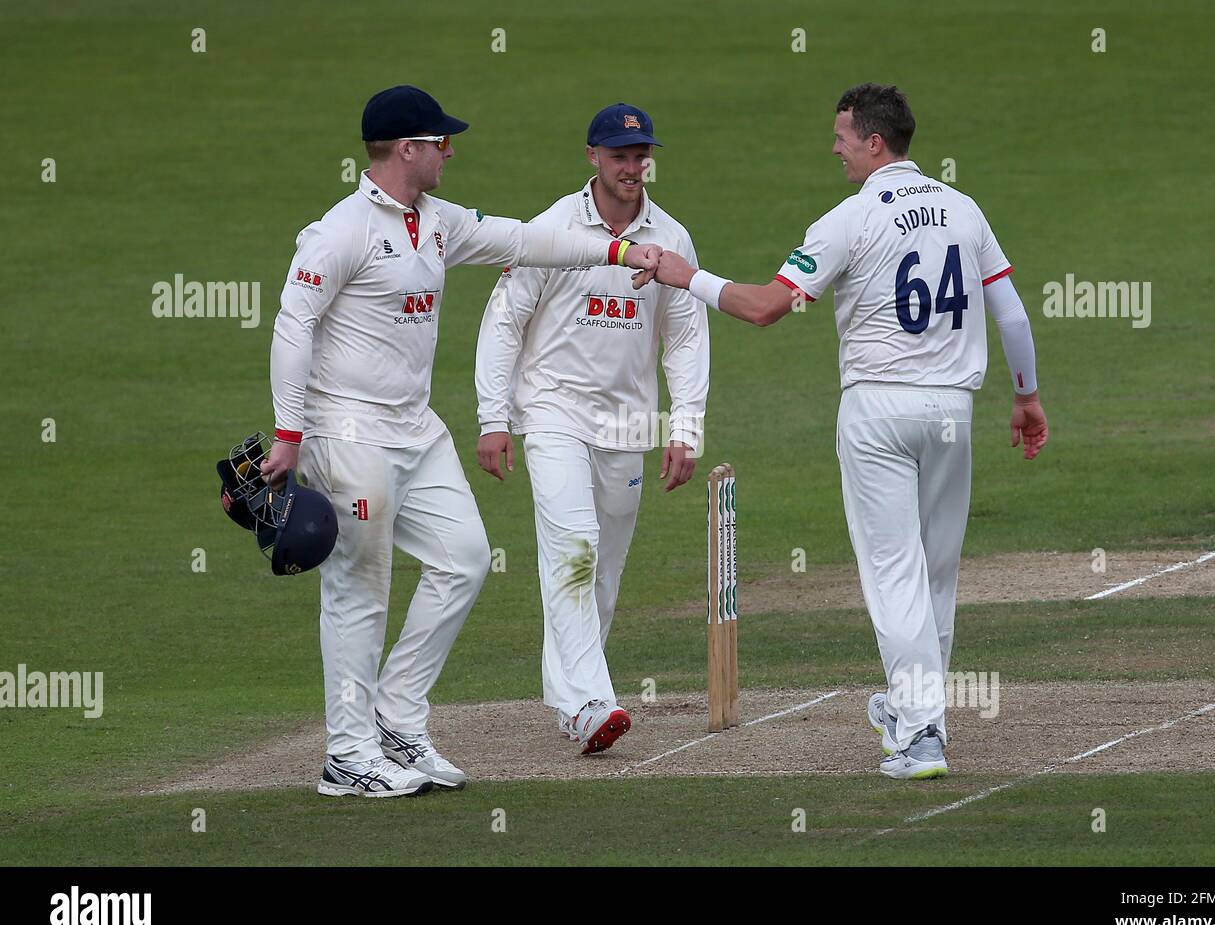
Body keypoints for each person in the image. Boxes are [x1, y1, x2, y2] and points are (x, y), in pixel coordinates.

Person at [261, 86, 662, 797]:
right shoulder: (341, 230)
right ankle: (348, 757)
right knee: (360, 588)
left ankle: (397, 720)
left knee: (467, 560)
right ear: (407, 149)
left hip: (416, 428)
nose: (451, 151)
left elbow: (525, 240)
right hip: (348, 429)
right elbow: (294, 324)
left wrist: (617, 247)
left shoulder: (437, 222)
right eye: (440, 142)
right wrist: (290, 434)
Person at [648, 83, 1048, 780]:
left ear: (873, 142)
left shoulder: (850, 219)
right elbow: (1011, 316)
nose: (833, 149)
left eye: (842, 138)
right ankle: (912, 710)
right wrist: (1027, 398)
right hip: (953, 413)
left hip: (878, 415)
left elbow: (768, 307)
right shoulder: (963, 208)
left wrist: (691, 279)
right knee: (936, 573)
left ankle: (921, 732)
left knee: (895, 574)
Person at [474, 103, 709, 754]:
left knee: (601, 570)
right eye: (619, 157)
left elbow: (684, 339)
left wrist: (684, 425)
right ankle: (588, 703)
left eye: (640, 157)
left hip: (627, 422)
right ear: (592, 158)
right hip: (553, 413)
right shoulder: (551, 231)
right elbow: (503, 324)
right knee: (572, 547)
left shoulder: (673, 239)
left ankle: (573, 702)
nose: (632, 168)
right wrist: (495, 418)